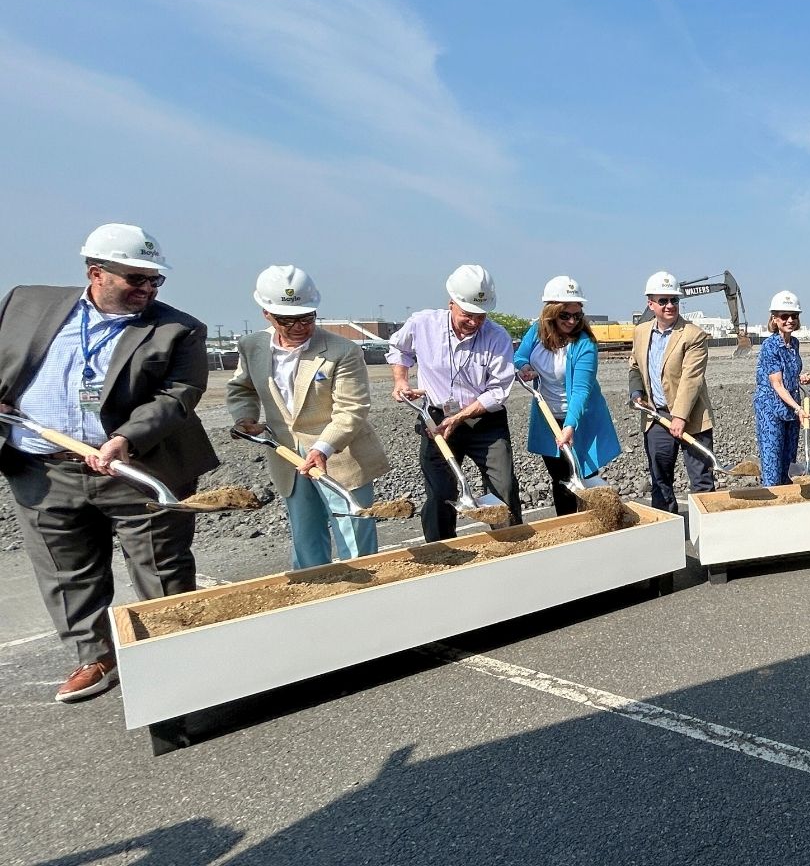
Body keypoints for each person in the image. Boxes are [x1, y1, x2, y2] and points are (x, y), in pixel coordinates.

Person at [0, 224, 217, 702]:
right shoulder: (24, 304)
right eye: (136, 278)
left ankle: (176, 655)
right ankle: (94, 657)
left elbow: (178, 395)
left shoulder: (177, 328)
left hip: (138, 470)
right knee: (65, 571)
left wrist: (125, 437)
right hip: (42, 470)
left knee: (161, 567)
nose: (147, 289)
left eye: (155, 280)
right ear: (96, 272)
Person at [228, 265, 388, 568]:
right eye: (288, 320)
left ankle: (364, 601)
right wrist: (244, 417)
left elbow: (351, 408)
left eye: (307, 317)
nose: (300, 326)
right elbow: (241, 388)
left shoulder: (342, 350)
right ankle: (316, 593)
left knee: (354, 538)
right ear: (267, 314)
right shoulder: (252, 347)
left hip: (339, 455)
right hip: (287, 457)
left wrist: (323, 448)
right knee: (306, 538)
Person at [387, 264, 521, 541]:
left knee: (503, 487)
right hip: (436, 419)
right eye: (467, 315)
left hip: (484, 420)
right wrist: (401, 381)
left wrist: (460, 417)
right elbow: (399, 350)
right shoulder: (423, 324)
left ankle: (512, 544)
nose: (474, 322)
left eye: (480, 316)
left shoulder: (497, 337)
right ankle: (441, 552)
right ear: (451, 304)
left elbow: (498, 390)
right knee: (440, 493)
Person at [513, 276, 621, 516]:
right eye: (565, 315)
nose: (572, 321)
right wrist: (524, 367)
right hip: (548, 418)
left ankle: (600, 520)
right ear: (551, 313)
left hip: (580, 419)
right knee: (560, 479)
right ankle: (569, 526)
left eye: (577, 315)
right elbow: (519, 356)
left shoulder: (585, 345)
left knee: (585, 473)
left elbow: (581, 390)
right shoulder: (536, 331)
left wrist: (570, 426)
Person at [628, 271, 714, 513]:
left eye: (674, 300)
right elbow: (635, 366)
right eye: (663, 301)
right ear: (651, 304)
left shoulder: (693, 334)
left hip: (693, 418)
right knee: (660, 480)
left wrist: (679, 417)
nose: (669, 306)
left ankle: (706, 536)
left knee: (702, 480)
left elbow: (691, 379)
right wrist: (636, 392)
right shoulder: (641, 332)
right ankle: (666, 533)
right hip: (656, 417)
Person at [753, 290, 810, 486]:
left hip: (790, 408)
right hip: (771, 409)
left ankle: (787, 500)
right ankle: (771, 502)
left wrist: (800, 379)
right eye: (784, 316)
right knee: (772, 459)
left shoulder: (794, 343)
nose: (790, 320)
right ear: (775, 319)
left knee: (788, 462)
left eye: (794, 316)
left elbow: (788, 375)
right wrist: (799, 409)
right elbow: (777, 384)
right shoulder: (770, 346)